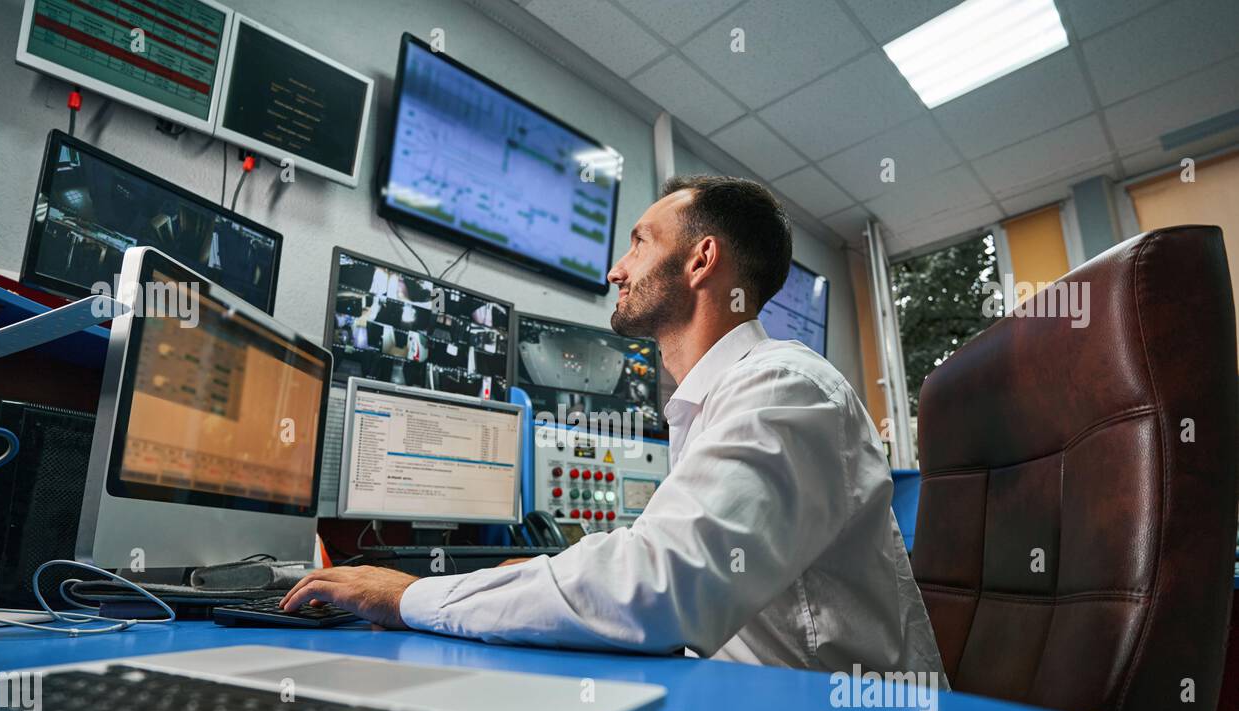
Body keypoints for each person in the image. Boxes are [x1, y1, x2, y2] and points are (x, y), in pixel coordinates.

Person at [284, 175, 946, 680]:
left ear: (700, 261)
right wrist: (539, 575)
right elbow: (660, 561)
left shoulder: (784, 388)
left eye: (638, 243)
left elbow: (654, 587)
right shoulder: (718, 402)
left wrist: (411, 597)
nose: (614, 270)